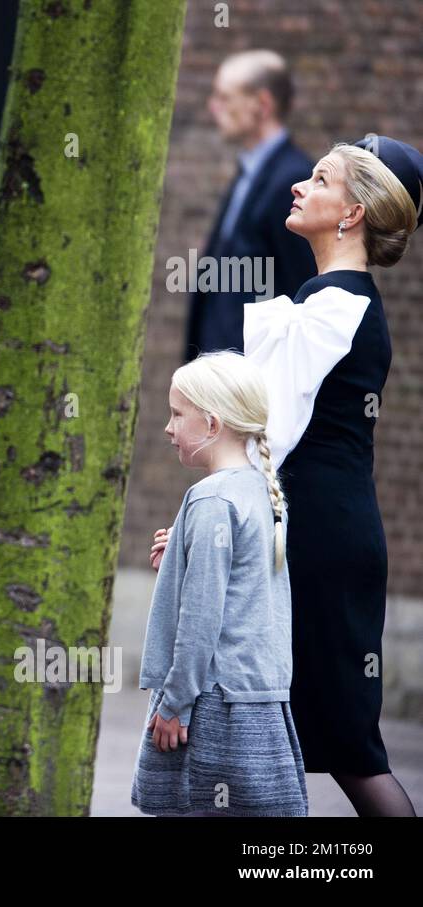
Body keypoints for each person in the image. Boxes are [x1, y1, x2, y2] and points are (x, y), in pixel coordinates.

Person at [240, 136, 421, 816]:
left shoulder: (336, 309)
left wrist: (212, 523)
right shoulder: (329, 302)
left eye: (318, 179)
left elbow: (269, 438)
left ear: (351, 214)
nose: (297, 186)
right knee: (295, 734)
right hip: (321, 537)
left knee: (349, 749)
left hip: (319, 547)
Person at [135, 351, 307, 817]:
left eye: (176, 414)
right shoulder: (258, 489)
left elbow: (202, 618)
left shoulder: (211, 499)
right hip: (259, 700)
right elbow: (240, 584)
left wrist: (173, 704)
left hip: (212, 703)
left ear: (212, 425)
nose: (168, 428)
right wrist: (183, 557)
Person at [184, 49, 316, 361]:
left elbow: (300, 287)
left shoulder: (292, 180)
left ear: (262, 105)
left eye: (225, 97)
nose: (213, 107)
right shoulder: (251, 171)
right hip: (220, 371)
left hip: (249, 377)